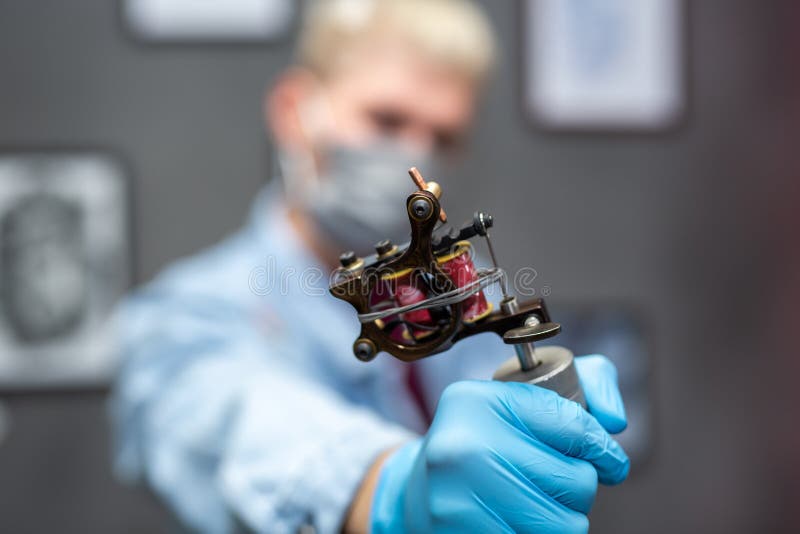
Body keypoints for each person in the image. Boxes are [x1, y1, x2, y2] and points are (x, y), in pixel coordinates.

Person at [110, 1, 630, 532]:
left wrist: (548, 416)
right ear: (294, 113)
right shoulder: (189, 314)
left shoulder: (459, 284)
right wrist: (392, 487)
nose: (416, 161)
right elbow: (240, 422)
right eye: (386, 120)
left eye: (443, 138)